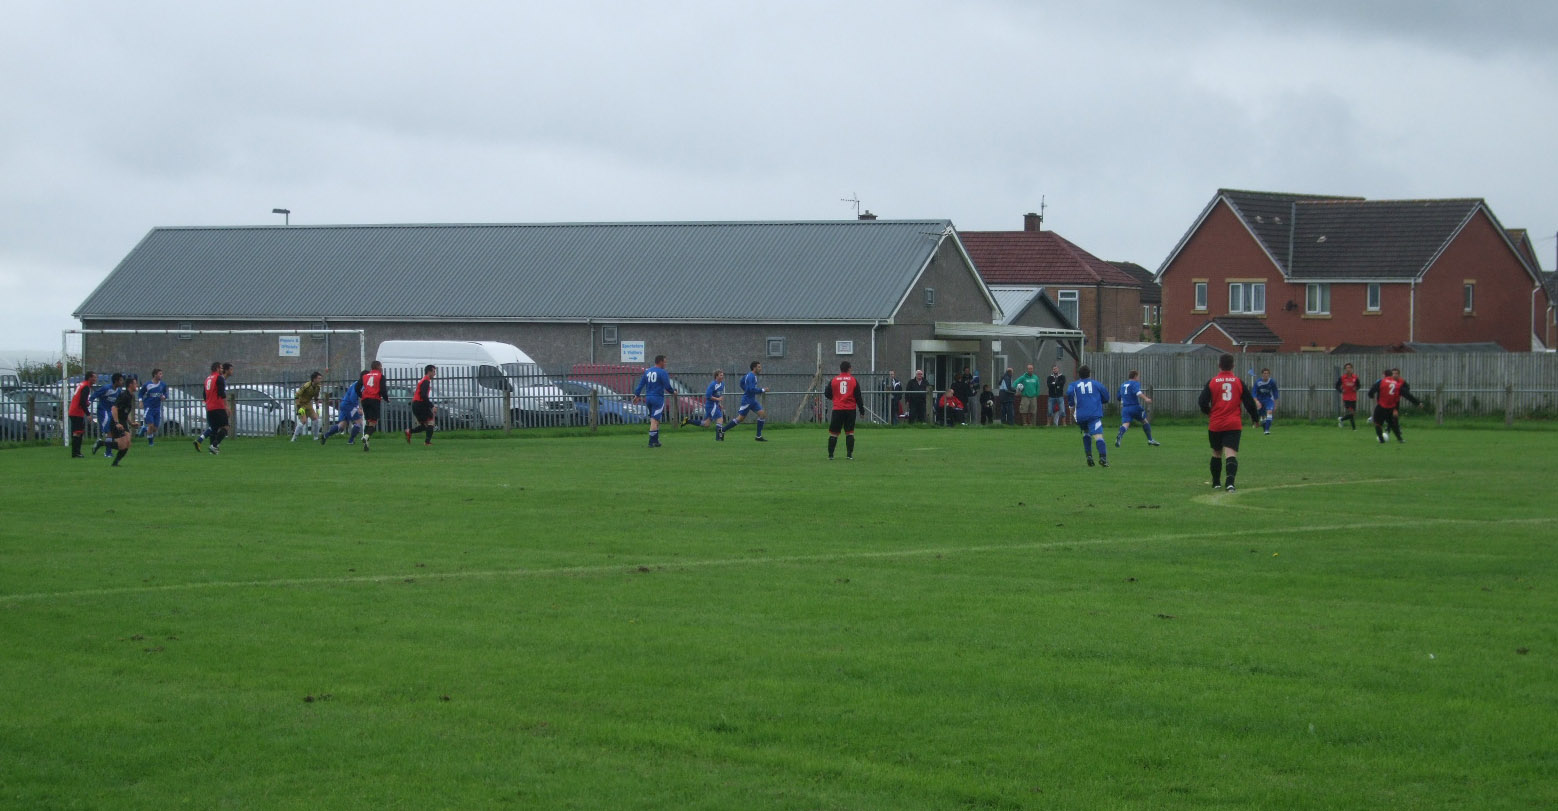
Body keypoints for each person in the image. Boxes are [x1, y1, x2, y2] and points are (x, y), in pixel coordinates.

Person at [1199, 353, 1261, 492]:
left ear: (1219, 365)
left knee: (1216, 452)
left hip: (1216, 423)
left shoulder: (1212, 382)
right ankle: (1230, 483)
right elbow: (1249, 402)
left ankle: (1216, 482)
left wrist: (1209, 412)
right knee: (1230, 453)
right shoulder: (1238, 382)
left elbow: (1202, 402)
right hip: (1233, 423)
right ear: (1233, 366)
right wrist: (1255, 418)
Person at [1065, 365, 1111, 467]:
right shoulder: (1096, 384)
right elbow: (1106, 397)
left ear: (1079, 375)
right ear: (1089, 374)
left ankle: (1089, 456)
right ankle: (1103, 458)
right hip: (1094, 414)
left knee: (1086, 433)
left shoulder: (1073, 385)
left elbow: (1069, 393)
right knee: (1098, 436)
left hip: (1081, 415)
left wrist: (1072, 405)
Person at [1368, 367, 1421, 444]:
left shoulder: (1381, 382)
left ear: (1384, 375)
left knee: (1378, 423)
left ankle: (1381, 440)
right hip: (1391, 408)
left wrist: (1371, 395)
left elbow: (1371, 391)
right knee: (1393, 424)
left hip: (1381, 406)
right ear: (1391, 375)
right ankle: (1400, 439)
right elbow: (1407, 395)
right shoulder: (1397, 384)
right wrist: (1417, 403)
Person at [633, 354, 675, 447]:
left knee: (656, 419)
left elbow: (641, 384)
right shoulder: (662, 372)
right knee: (654, 420)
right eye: (665, 362)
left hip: (649, 398)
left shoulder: (647, 371)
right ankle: (651, 441)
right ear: (660, 362)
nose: (665, 364)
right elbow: (667, 386)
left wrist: (637, 395)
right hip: (657, 399)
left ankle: (656, 441)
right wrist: (673, 392)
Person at [825, 360, 862, 459]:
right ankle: (849, 455)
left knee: (834, 433)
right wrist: (861, 410)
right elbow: (858, 396)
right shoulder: (853, 380)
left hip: (837, 409)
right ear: (849, 368)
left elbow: (827, 393)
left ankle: (831, 455)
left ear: (840, 369)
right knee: (849, 432)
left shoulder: (834, 380)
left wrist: (834, 398)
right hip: (850, 410)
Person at [1115, 370, 1161, 447]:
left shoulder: (1123, 385)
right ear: (1135, 376)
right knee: (1145, 421)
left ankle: (1120, 435)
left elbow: (1119, 397)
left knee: (1125, 424)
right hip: (1135, 407)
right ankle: (1150, 440)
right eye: (1138, 376)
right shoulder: (1135, 383)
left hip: (1125, 408)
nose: (1139, 378)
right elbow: (1138, 392)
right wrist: (1146, 398)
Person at [194, 362, 232, 455]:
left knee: (214, 428)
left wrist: (208, 402)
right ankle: (214, 445)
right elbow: (222, 393)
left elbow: (204, 394)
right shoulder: (219, 378)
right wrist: (226, 406)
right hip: (218, 406)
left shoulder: (208, 378)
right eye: (221, 368)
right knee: (226, 427)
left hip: (209, 407)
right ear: (217, 368)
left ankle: (212, 450)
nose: (222, 370)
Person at [725, 360, 768, 441]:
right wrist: (762, 390)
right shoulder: (751, 376)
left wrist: (746, 390)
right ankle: (722, 430)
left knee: (762, 414)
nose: (760, 368)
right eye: (759, 367)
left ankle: (758, 436)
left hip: (752, 400)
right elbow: (751, 389)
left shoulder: (749, 375)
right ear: (754, 368)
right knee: (740, 419)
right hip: (747, 401)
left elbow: (741, 383)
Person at [682, 369, 728, 440]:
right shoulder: (713, 385)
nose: (722, 376)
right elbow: (708, 396)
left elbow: (718, 395)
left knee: (706, 424)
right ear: (716, 376)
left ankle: (688, 421)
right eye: (721, 375)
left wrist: (719, 403)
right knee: (720, 419)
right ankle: (719, 438)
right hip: (711, 405)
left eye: (723, 375)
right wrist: (718, 399)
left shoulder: (722, 384)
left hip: (715, 405)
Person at [89, 373, 129, 458]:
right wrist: (88, 403)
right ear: (116, 381)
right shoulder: (106, 388)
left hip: (111, 413)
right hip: (103, 412)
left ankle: (104, 447)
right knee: (109, 432)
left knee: (112, 432)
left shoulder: (118, 391)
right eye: (121, 380)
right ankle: (107, 453)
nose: (122, 382)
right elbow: (95, 395)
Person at [321, 376, 365, 445]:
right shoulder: (358, 385)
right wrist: (357, 408)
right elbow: (353, 397)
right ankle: (350, 441)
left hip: (344, 404)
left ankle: (325, 435)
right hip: (350, 406)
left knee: (342, 425)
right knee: (358, 422)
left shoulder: (356, 383)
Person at [106, 375, 136, 467]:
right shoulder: (124, 395)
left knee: (127, 443)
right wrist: (117, 423)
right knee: (123, 445)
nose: (137, 385)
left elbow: (124, 412)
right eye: (135, 384)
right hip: (117, 421)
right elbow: (114, 408)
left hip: (123, 421)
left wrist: (131, 423)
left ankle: (115, 463)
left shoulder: (130, 396)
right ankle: (101, 443)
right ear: (130, 385)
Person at [358, 361, 387, 452]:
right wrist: (386, 399)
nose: (381, 368)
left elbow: (357, 387)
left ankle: (366, 444)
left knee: (368, 421)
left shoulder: (365, 376)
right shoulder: (381, 376)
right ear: (378, 367)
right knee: (373, 422)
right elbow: (383, 390)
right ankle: (366, 437)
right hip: (374, 399)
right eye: (381, 366)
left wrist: (361, 395)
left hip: (365, 400)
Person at [405, 365, 438, 445]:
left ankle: (409, 431)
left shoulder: (423, 380)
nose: (435, 374)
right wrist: (432, 406)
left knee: (424, 425)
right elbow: (423, 396)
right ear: (429, 372)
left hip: (417, 404)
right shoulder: (426, 381)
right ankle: (427, 442)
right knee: (430, 422)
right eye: (434, 371)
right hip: (420, 404)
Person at [67, 371, 97, 458]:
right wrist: (88, 414)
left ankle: (76, 452)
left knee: (78, 432)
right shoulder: (86, 387)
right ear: (89, 378)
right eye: (94, 377)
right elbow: (82, 402)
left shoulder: (82, 384)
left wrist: (86, 403)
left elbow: (81, 399)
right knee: (77, 432)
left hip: (73, 411)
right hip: (77, 412)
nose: (96, 379)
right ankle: (76, 453)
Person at [292, 371, 324, 442]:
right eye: (319, 378)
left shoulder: (318, 387)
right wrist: (299, 407)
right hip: (301, 404)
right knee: (303, 421)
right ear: (314, 379)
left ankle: (315, 437)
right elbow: (296, 396)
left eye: (320, 378)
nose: (320, 380)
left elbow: (316, 398)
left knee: (316, 419)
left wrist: (317, 408)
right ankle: (294, 438)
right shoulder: (306, 386)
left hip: (308, 404)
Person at [1252, 367, 1279, 434]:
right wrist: (1257, 401)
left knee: (1269, 412)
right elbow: (1254, 393)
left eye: (1267, 373)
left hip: (1269, 400)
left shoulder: (1272, 382)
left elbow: (1275, 393)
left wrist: (1275, 405)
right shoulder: (1258, 382)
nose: (1266, 375)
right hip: (1260, 401)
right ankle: (1264, 426)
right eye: (1264, 373)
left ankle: (1267, 430)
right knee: (1263, 416)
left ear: (1269, 374)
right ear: (1262, 374)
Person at [1335, 362, 1361, 430]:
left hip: (1353, 398)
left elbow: (1359, 385)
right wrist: (1341, 390)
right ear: (1345, 369)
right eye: (1347, 368)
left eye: (1349, 367)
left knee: (1352, 413)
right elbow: (1337, 386)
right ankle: (1354, 428)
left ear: (1352, 369)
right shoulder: (1342, 378)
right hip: (1346, 398)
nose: (1348, 369)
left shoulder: (1355, 377)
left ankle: (1341, 419)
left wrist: (1356, 388)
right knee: (1351, 412)